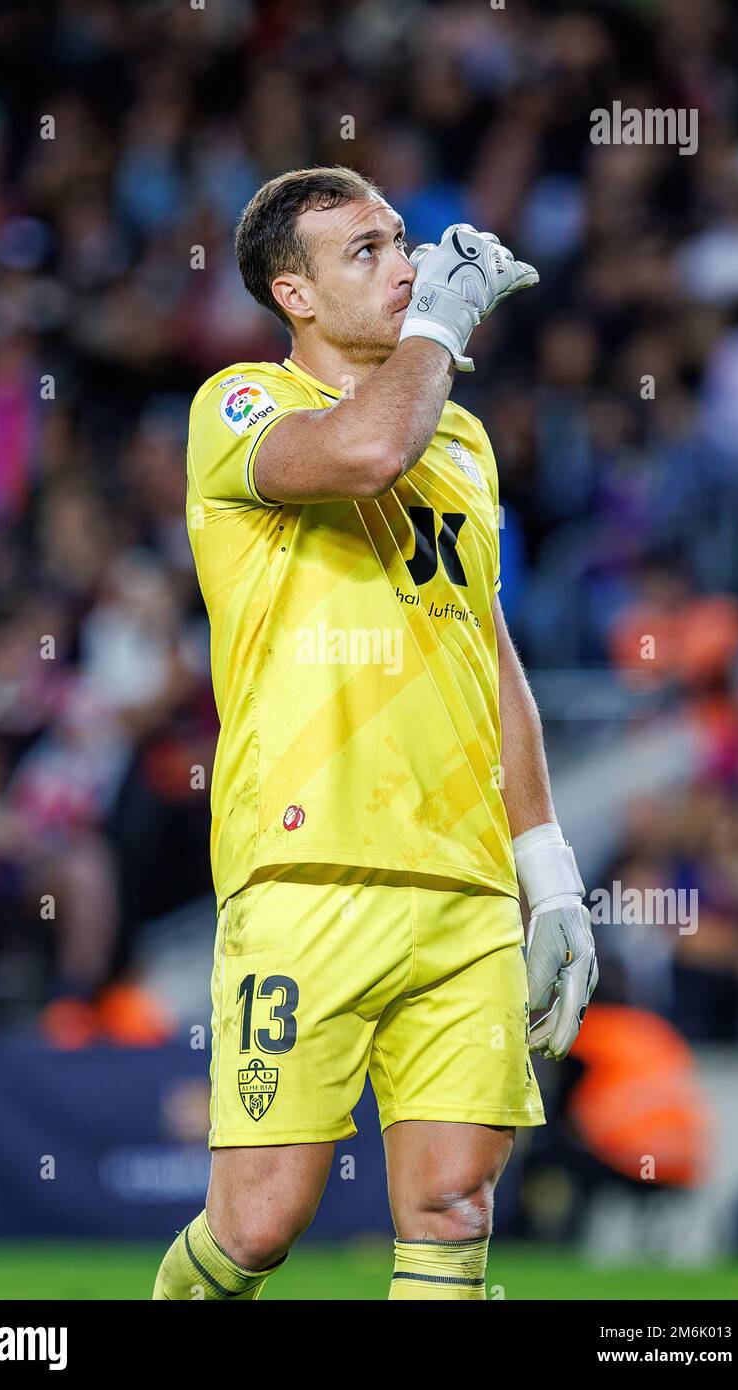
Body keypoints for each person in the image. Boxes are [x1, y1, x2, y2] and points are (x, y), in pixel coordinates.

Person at [153, 166, 598, 1301]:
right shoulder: (238, 407)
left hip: (459, 883)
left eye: (404, 240)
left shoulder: (465, 445)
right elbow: (363, 453)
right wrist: (440, 330)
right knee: (257, 1225)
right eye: (365, 252)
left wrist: (543, 869)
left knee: (453, 1205)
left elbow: (486, 653)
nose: (407, 265)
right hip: (306, 868)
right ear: (292, 295)